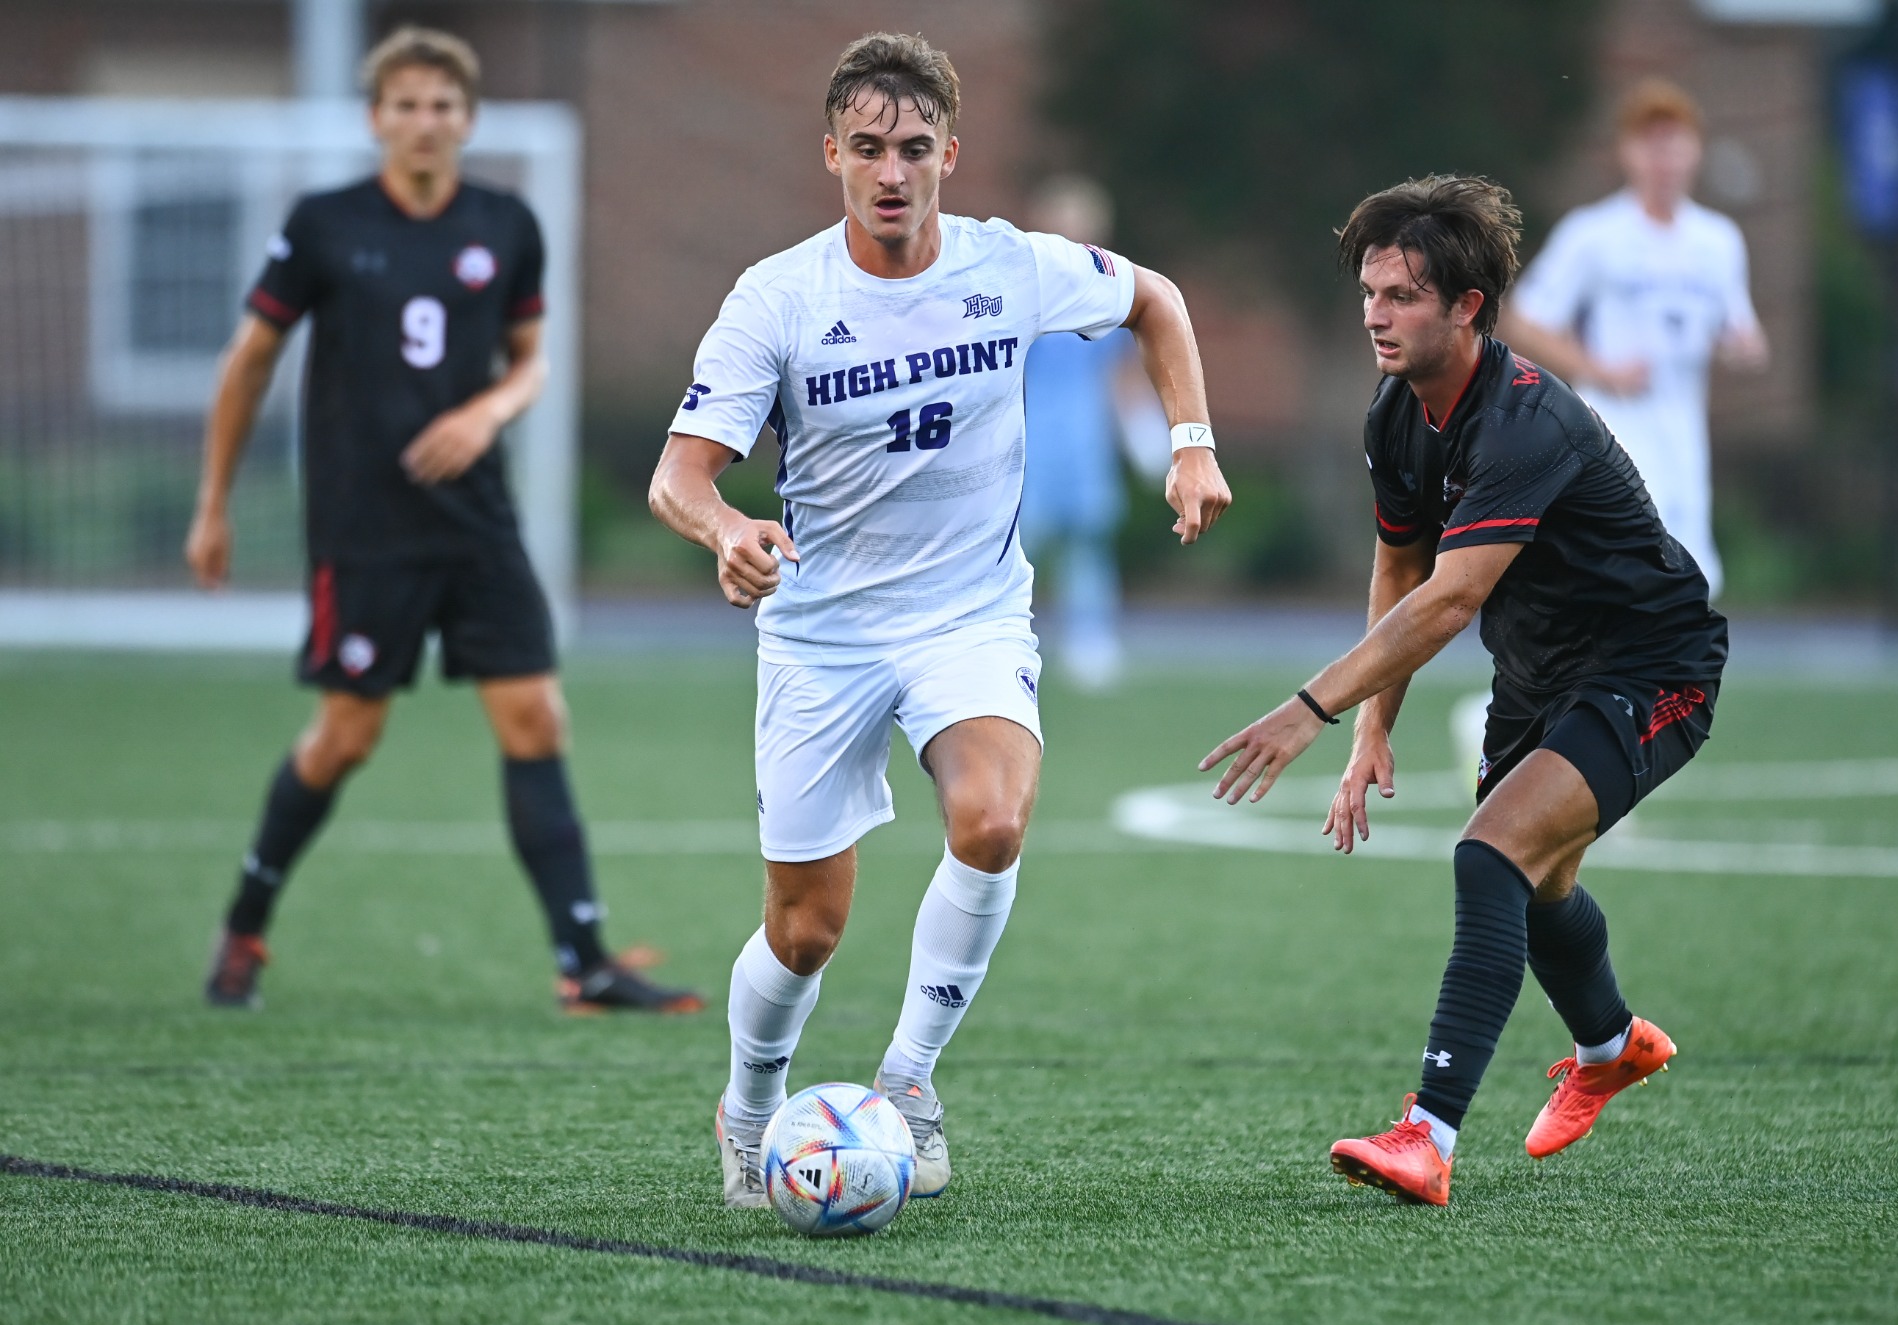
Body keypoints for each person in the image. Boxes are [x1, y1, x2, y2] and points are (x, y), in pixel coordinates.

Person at [648, 32, 1231, 1209]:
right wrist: (728, 533)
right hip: (821, 634)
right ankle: (749, 1106)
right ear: (831, 156)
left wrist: (1189, 443)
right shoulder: (779, 296)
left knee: (992, 818)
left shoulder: (1007, 266)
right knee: (806, 932)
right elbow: (678, 476)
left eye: (914, 148)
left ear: (950, 156)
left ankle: (906, 1082)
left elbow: (1155, 301)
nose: (890, 172)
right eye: (866, 149)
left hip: (965, 614)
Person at [1200, 175, 1726, 1206]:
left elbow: (1448, 602)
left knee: (1489, 855)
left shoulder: (1523, 421)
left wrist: (1308, 709)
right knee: (1533, 884)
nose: (1373, 315)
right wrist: (1368, 732)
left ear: (1465, 308)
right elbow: (1398, 570)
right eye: (1367, 292)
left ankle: (1425, 1136)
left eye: (1400, 295)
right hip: (1538, 671)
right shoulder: (1395, 410)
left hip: (1647, 663)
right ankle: (1611, 1042)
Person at [187, 27, 700, 1016]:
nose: (425, 122)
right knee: (345, 735)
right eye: (406, 104)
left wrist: (485, 412)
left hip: (476, 521)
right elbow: (247, 362)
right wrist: (212, 504)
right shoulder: (326, 224)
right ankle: (246, 922)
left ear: (468, 118)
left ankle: (583, 961)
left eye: (443, 105)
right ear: (376, 117)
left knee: (535, 714)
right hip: (364, 527)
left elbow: (530, 361)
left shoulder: (505, 223)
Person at [1502, 78, 1768, 597]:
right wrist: (1601, 370)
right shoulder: (1595, 235)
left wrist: (1742, 347)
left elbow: (1739, 329)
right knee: (1634, 557)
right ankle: (1548, 680)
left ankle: (1635, 679)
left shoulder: (1718, 242)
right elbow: (1525, 320)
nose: (1664, 158)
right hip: (1614, 425)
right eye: (1651, 143)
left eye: (1675, 142)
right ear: (1627, 152)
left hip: (1682, 430)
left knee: (1690, 574)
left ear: (1694, 150)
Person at [1020, 175, 1168, 691]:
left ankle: (1090, 640)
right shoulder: (1023, 301)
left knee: (1088, 544)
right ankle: (1003, 642)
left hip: (1085, 443)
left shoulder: (1107, 305)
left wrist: (1146, 435)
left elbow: (1120, 378)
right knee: (1017, 546)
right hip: (1029, 442)